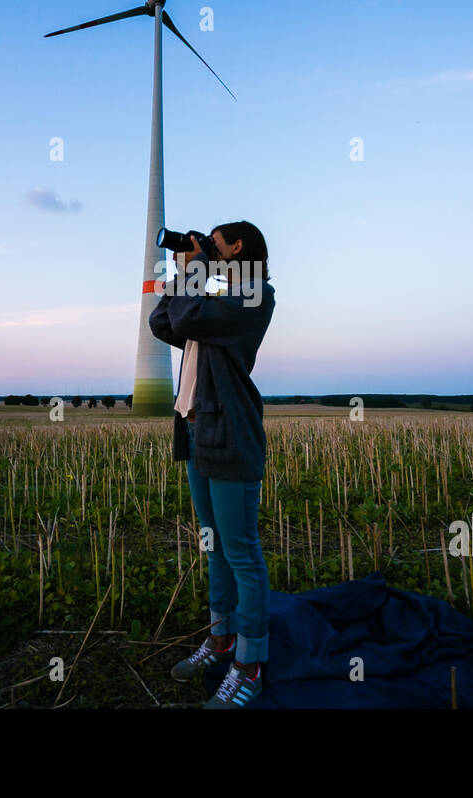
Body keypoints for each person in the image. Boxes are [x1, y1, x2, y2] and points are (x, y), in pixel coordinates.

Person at [149, 220, 275, 709]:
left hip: (231, 435)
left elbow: (187, 316)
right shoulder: (211, 303)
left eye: (213, 244)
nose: (203, 250)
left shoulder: (253, 297)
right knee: (213, 546)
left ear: (237, 247)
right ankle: (220, 641)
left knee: (241, 552)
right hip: (197, 432)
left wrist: (194, 269)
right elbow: (166, 323)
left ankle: (250, 666)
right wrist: (188, 271)